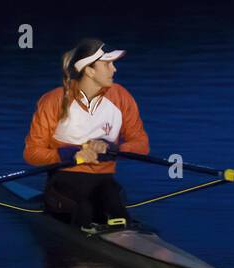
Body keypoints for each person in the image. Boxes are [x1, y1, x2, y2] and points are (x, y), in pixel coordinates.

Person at [23, 38, 150, 231]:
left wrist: (113, 149)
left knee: (116, 209)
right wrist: (73, 154)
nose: (114, 69)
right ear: (89, 70)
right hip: (64, 182)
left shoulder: (121, 96)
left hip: (104, 182)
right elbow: (32, 154)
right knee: (84, 210)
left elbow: (142, 146)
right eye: (107, 64)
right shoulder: (53, 101)